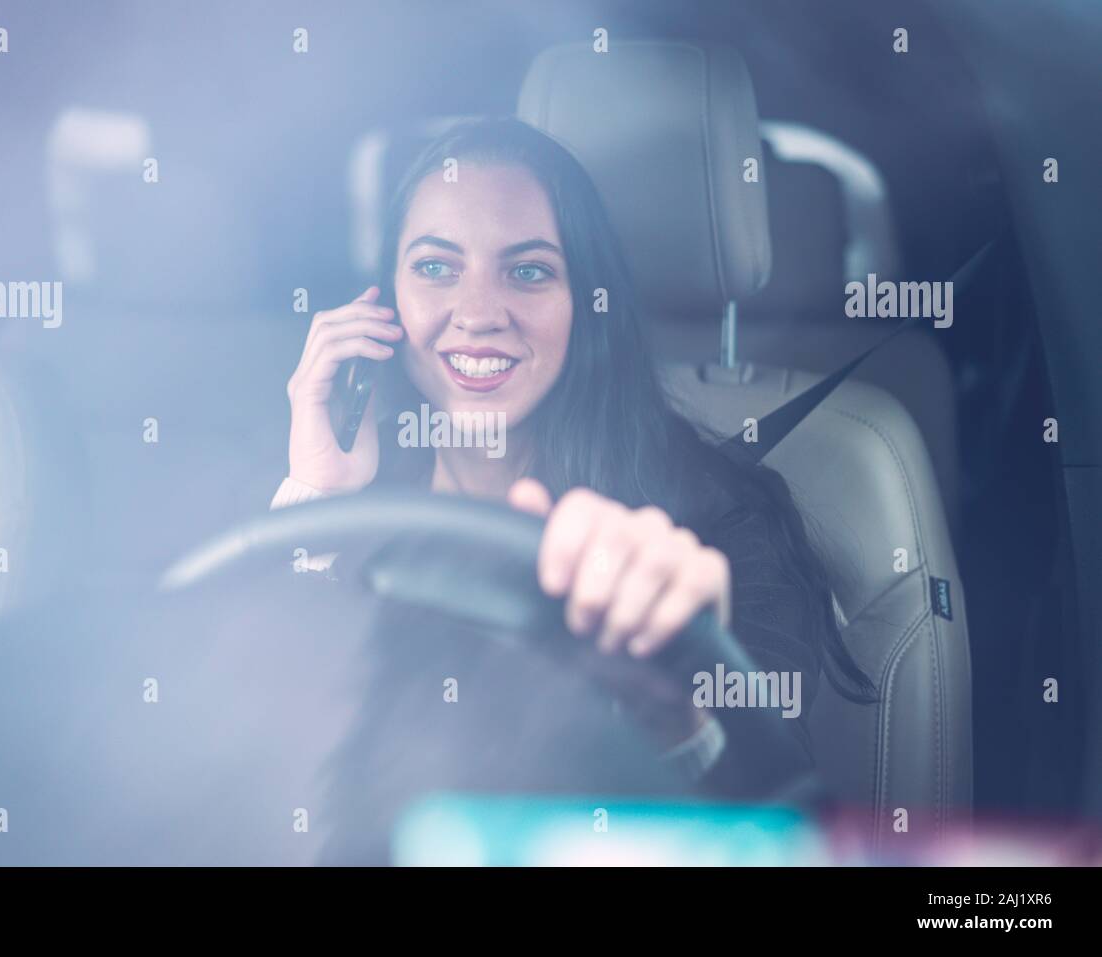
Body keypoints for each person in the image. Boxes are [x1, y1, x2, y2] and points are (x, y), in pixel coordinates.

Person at [271, 116, 875, 863]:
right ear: (385, 299)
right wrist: (319, 505)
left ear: (590, 301)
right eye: (434, 267)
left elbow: (768, 823)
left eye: (527, 271)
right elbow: (258, 754)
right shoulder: (357, 489)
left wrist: (672, 710)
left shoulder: (719, 525)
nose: (478, 313)